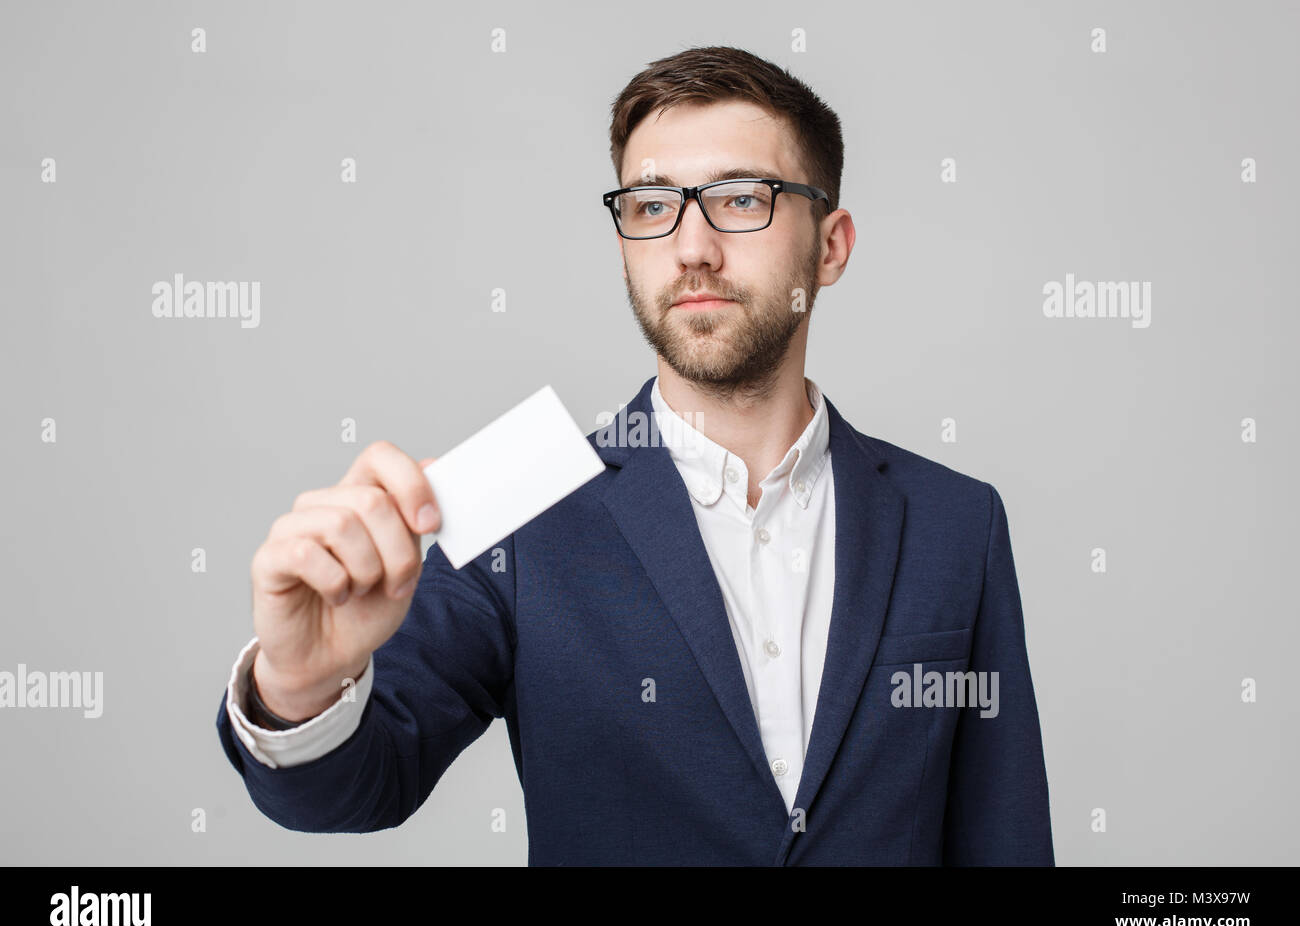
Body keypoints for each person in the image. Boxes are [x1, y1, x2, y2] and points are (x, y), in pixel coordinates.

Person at [215, 45, 1053, 865]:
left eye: (739, 198)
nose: (691, 248)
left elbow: (1004, 837)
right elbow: (363, 785)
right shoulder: (524, 510)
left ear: (829, 247)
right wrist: (297, 686)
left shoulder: (956, 521)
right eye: (653, 206)